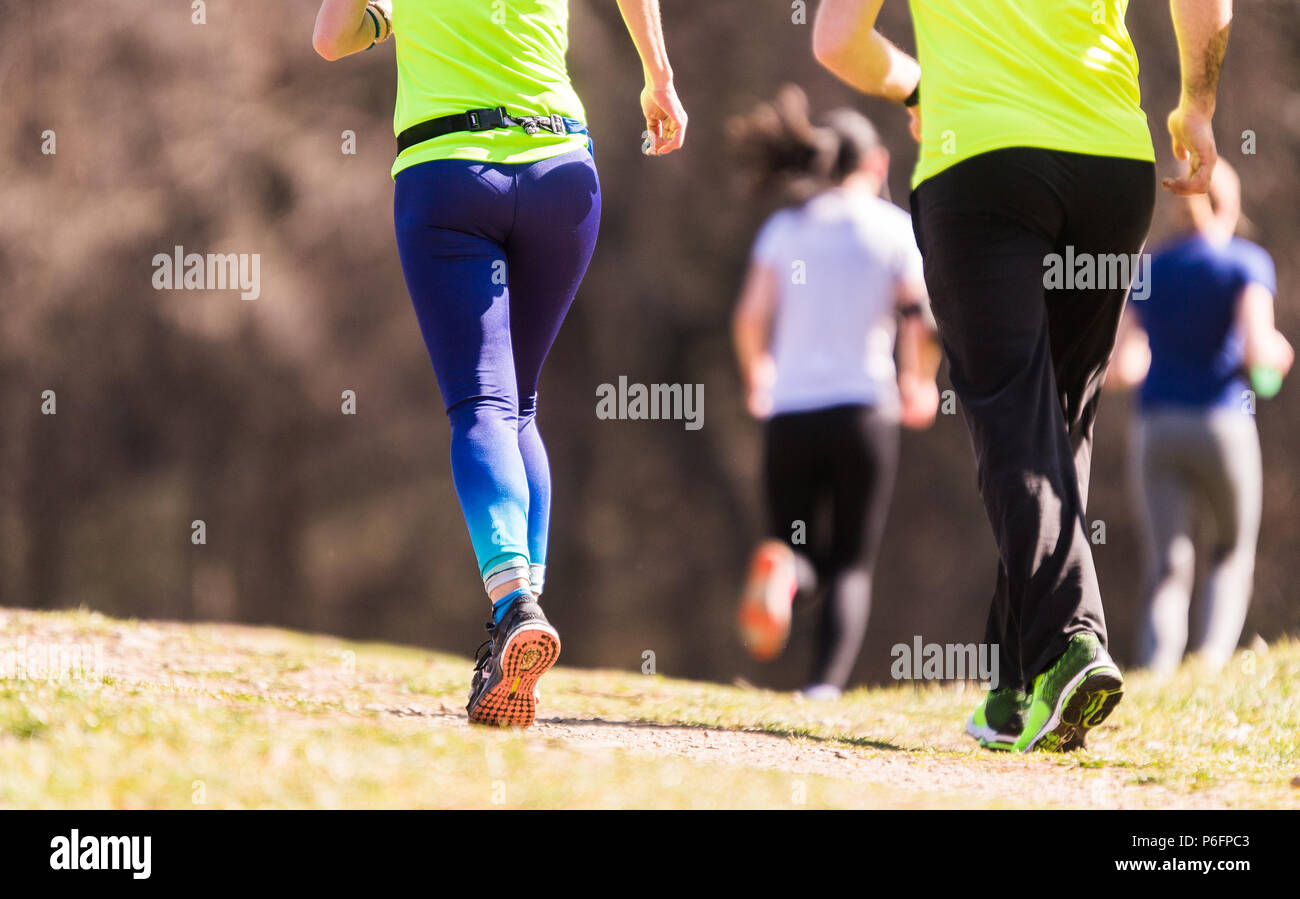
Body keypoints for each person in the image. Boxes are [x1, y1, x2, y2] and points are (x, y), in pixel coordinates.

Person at [813, 0, 1234, 751]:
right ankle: (1015, 685)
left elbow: (836, 40)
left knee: (1014, 412)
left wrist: (918, 87)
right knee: (1058, 422)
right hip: (1110, 162)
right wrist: (1197, 105)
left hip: (979, 162)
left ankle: (1071, 640)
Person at [312, 0, 687, 727]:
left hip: (450, 175)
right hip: (561, 175)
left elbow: (332, 39)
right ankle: (515, 629)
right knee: (521, 406)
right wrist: (659, 79)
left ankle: (516, 605)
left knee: (483, 403)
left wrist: (388, 18)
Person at [729, 86, 940, 700]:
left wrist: (758, 376)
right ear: (877, 164)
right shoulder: (894, 229)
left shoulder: (785, 230)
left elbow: (750, 317)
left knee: (794, 542)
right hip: (863, 411)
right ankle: (821, 687)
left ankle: (785, 572)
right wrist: (919, 382)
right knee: (850, 561)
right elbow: (920, 319)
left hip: (791, 411)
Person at [1109, 160, 1292, 675]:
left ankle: (1158, 667)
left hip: (1156, 426)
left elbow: (1123, 365)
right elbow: (1257, 350)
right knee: (1231, 549)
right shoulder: (1246, 263)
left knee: (1166, 560)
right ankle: (1210, 663)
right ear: (1230, 203)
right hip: (1223, 423)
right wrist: (1279, 354)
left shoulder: (1151, 267)